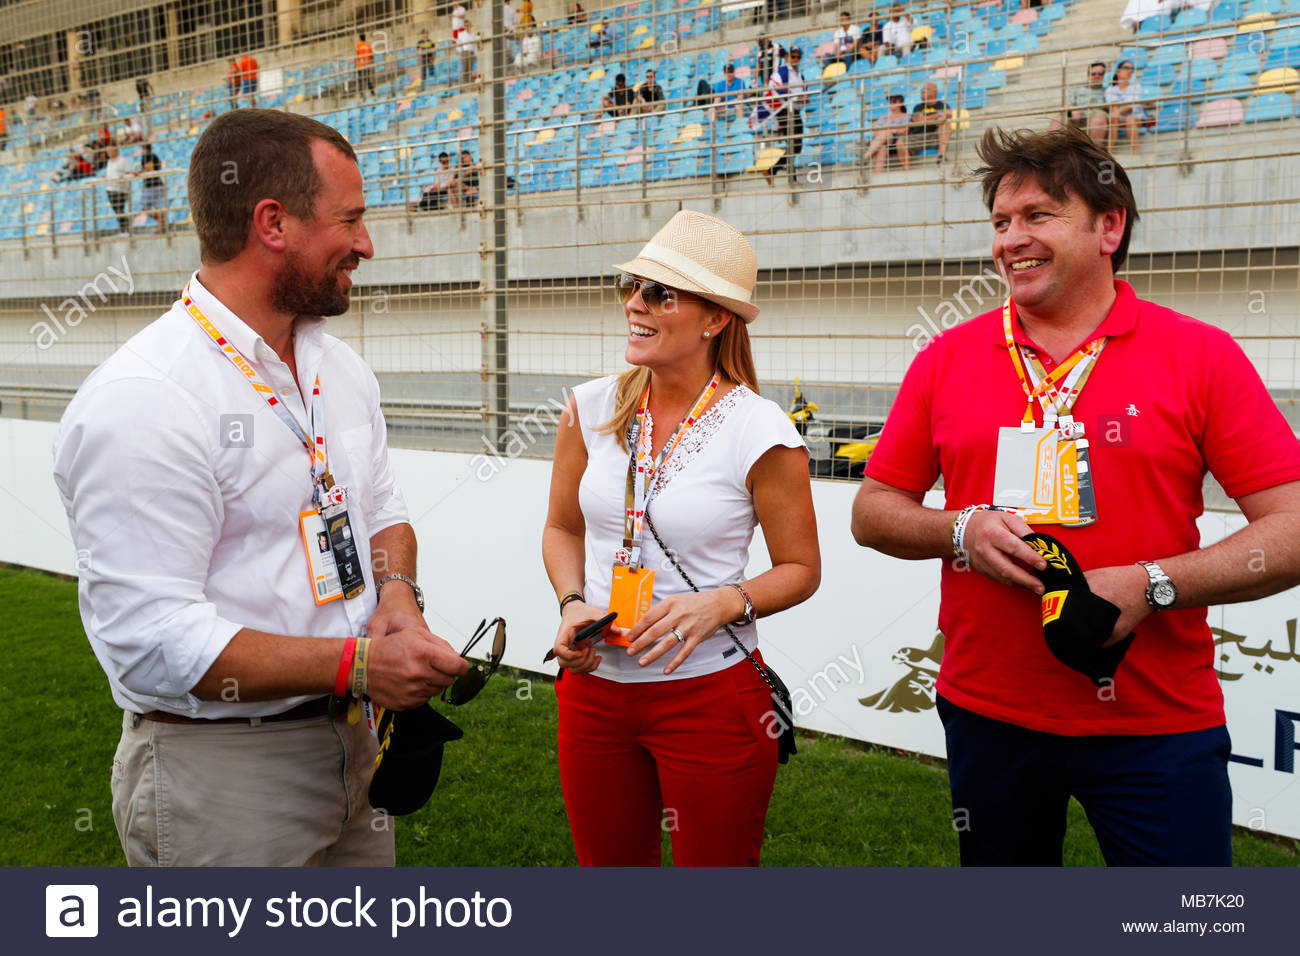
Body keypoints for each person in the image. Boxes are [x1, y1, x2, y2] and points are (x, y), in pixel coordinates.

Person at [850, 125, 1300, 866]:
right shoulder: (945, 357)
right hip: (988, 715)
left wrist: (1152, 585)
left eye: (1037, 216)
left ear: (1109, 226)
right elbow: (874, 510)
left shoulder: (1200, 355)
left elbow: (1287, 529)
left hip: (1158, 723)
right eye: (1000, 222)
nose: (1011, 240)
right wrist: (960, 529)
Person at [52, 109, 469, 867]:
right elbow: (153, 645)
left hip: (356, 748)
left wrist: (398, 600)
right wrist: (361, 667)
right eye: (352, 219)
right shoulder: (145, 399)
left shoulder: (338, 368)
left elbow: (385, 513)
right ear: (272, 222)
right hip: (224, 783)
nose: (367, 244)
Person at [543, 210, 820, 866]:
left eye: (659, 293)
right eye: (632, 287)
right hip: (593, 690)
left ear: (715, 317)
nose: (634, 305)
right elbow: (561, 527)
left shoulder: (761, 429)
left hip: (712, 696)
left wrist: (722, 603)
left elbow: (801, 569)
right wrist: (570, 603)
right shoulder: (588, 407)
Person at [764, 47, 807, 185]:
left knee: (796, 146)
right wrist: (794, 97)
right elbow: (773, 87)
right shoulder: (783, 71)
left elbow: (804, 92)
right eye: (793, 56)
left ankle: (772, 170)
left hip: (795, 110)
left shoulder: (800, 75)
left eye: (797, 57)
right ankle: (791, 178)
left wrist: (803, 98)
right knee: (793, 144)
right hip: (785, 110)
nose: (795, 59)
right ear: (788, 57)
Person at [1055, 61, 1109, 145]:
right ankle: (1054, 149)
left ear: (1104, 76)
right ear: (1088, 75)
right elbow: (1068, 104)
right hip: (1077, 118)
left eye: (1100, 74)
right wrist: (1073, 110)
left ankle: (1093, 150)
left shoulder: (1108, 91)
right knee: (1058, 118)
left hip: (1096, 119)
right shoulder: (1076, 89)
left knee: (1099, 118)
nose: (1097, 76)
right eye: (1093, 74)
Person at [1106, 60, 1150, 154]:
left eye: (1131, 69)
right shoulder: (1110, 89)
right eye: (1126, 68)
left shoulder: (1136, 87)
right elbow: (1113, 106)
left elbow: (1131, 106)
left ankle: (1135, 153)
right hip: (1119, 119)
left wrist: (1118, 112)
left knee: (1129, 119)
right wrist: (1117, 113)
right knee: (1114, 118)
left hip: (1136, 117)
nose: (1129, 71)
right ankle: (1109, 152)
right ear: (1118, 71)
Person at [862, 93, 911, 171]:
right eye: (890, 101)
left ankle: (866, 156)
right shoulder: (883, 117)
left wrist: (887, 131)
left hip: (895, 141)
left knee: (885, 133)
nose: (891, 103)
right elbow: (875, 131)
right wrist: (891, 130)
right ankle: (878, 174)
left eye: (894, 101)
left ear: (901, 103)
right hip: (882, 141)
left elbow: (904, 130)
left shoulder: (906, 116)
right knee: (882, 148)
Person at [909, 81, 950, 163]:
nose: (922, 92)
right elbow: (919, 120)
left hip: (935, 137)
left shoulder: (942, 105)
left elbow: (949, 114)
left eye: (925, 90)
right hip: (918, 137)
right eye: (922, 90)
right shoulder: (918, 107)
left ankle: (941, 156)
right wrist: (938, 115)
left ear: (934, 92)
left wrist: (927, 118)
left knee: (945, 124)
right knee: (900, 142)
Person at [101, 145, 134, 236]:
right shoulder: (109, 162)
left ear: (115, 150)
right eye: (107, 151)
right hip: (110, 188)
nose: (108, 153)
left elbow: (129, 172)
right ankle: (123, 228)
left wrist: (123, 177)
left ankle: (125, 228)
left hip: (121, 189)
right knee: (116, 209)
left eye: (110, 150)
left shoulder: (123, 160)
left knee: (119, 208)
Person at [139, 143, 167, 234]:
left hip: (152, 185)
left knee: (145, 207)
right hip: (156, 185)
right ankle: (161, 222)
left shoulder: (147, 156)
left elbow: (150, 167)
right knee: (155, 207)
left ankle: (161, 223)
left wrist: (138, 172)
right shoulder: (154, 156)